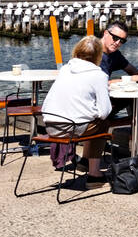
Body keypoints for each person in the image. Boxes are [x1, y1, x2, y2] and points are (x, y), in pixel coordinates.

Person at [41, 35, 113, 185]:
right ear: (98, 55)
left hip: (50, 126)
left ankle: (85, 163)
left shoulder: (65, 69)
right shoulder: (99, 75)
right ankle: (94, 174)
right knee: (103, 123)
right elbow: (105, 111)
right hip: (70, 128)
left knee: (94, 121)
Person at [99, 20, 138, 137]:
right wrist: (129, 80)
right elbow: (103, 83)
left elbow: (134, 71)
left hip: (105, 99)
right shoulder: (93, 52)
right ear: (106, 33)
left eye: (122, 41)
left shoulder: (114, 54)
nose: (117, 43)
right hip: (94, 104)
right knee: (134, 96)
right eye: (115, 38)